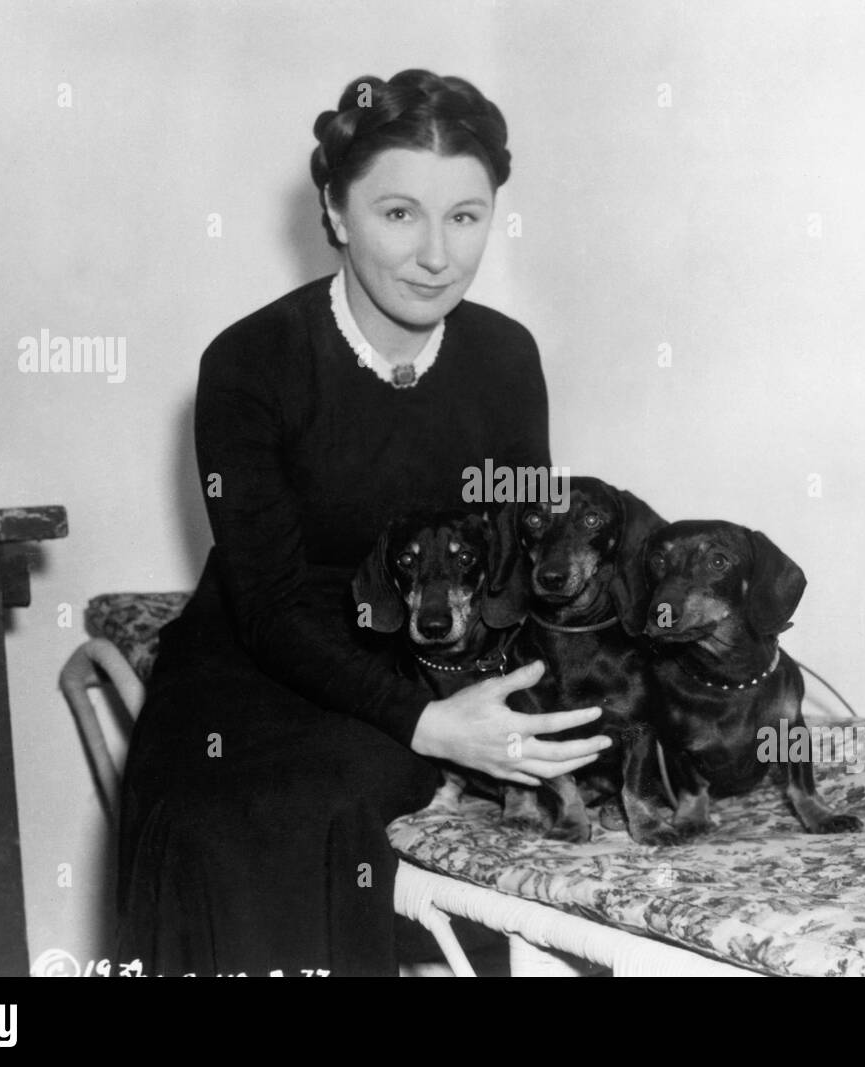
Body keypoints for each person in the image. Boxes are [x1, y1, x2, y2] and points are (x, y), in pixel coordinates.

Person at [115, 69, 610, 977]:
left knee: (364, 789)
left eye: (466, 216)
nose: (436, 254)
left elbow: (510, 561)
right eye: (398, 214)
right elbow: (265, 602)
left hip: (431, 652)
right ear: (337, 214)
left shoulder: (505, 357)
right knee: (241, 818)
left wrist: (496, 702)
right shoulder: (250, 361)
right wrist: (426, 724)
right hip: (260, 662)